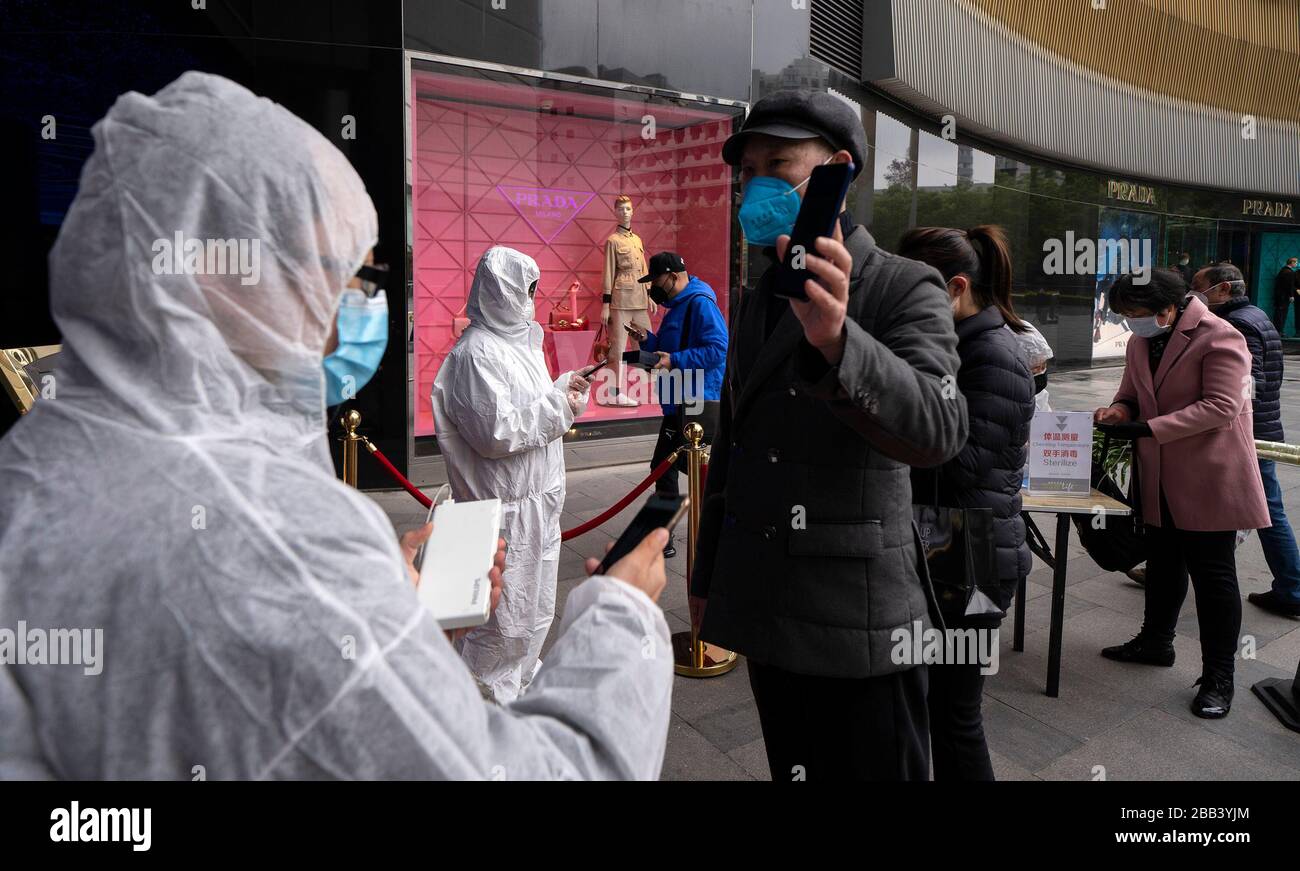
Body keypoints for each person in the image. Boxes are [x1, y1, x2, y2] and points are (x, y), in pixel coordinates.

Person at [0, 72, 675, 780]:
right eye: (339, 276)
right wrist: (622, 618)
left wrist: (388, 609)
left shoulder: (43, 461)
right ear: (227, 276)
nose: (354, 308)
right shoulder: (271, 535)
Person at [690, 89, 968, 781]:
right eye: (747, 168)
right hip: (766, 615)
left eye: (779, 162)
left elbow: (939, 427)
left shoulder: (905, 285)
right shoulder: (758, 295)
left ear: (838, 170)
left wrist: (841, 341)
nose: (757, 184)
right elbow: (734, 445)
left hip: (861, 626)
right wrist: (706, 577)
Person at [1096, 269, 1268, 719]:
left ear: (1168, 308)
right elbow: (1130, 393)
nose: (1131, 324)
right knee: (1164, 563)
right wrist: (1117, 412)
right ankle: (1156, 641)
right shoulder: (1140, 342)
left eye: (1135, 314)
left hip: (1208, 475)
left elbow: (1222, 406)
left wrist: (1149, 428)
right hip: (1158, 475)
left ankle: (1218, 677)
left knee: (1213, 577)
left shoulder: (1220, 336)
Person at [898, 225, 1035, 780]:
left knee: (955, 714)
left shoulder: (993, 353)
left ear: (954, 289)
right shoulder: (961, 343)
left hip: (970, 550)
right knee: (932, 705)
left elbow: (965, 461)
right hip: (942, 537)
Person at [433, 246, 593, 704]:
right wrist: (558, 407)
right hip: (502, 515)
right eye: (526, 290)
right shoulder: (475, 354)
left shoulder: (519, 343)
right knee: (499, 625)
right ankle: (480, 709)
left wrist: (562, 389)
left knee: (535, 612)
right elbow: (496, 432)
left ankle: (517, 690)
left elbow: (529, 407)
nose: (532, 299)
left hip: (537, 504)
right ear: (502, 292)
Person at [1196, 264, 1300, 617]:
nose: (1194, 295)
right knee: (1262, 508)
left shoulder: (1237, 323)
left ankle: (1293, 587)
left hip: (1249, 433)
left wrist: (1210, 397)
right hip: (1262, 427)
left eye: (1199, 287)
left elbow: (1249, 383)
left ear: (1223, 289)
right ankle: (1292, 586)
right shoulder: (1256, 314)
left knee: (1267, 510)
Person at [623, 251, 728, 558]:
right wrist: (647, 340)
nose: (652, 286)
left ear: (671, 275)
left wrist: (676, 360)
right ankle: (668, 535)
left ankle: (670, 536)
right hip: (680, 399)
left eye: (655, 279)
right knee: (674, 467)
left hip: (696, 400)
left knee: (677, 467)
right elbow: (670, 351)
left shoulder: (699, 303)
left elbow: (718, 349)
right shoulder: (677, 306)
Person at [1273, 256, 1299, 335]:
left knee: (1279, 313)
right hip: (1283, 297)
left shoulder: (1283, 271)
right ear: (1292, 263)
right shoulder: (1289, 272)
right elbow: (1289, 286)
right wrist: (1291, 296)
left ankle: (1278, 330)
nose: (1297, 264)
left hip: (1279, 296)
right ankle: (1280, 331)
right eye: (1296, 262)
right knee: (1282, 314)